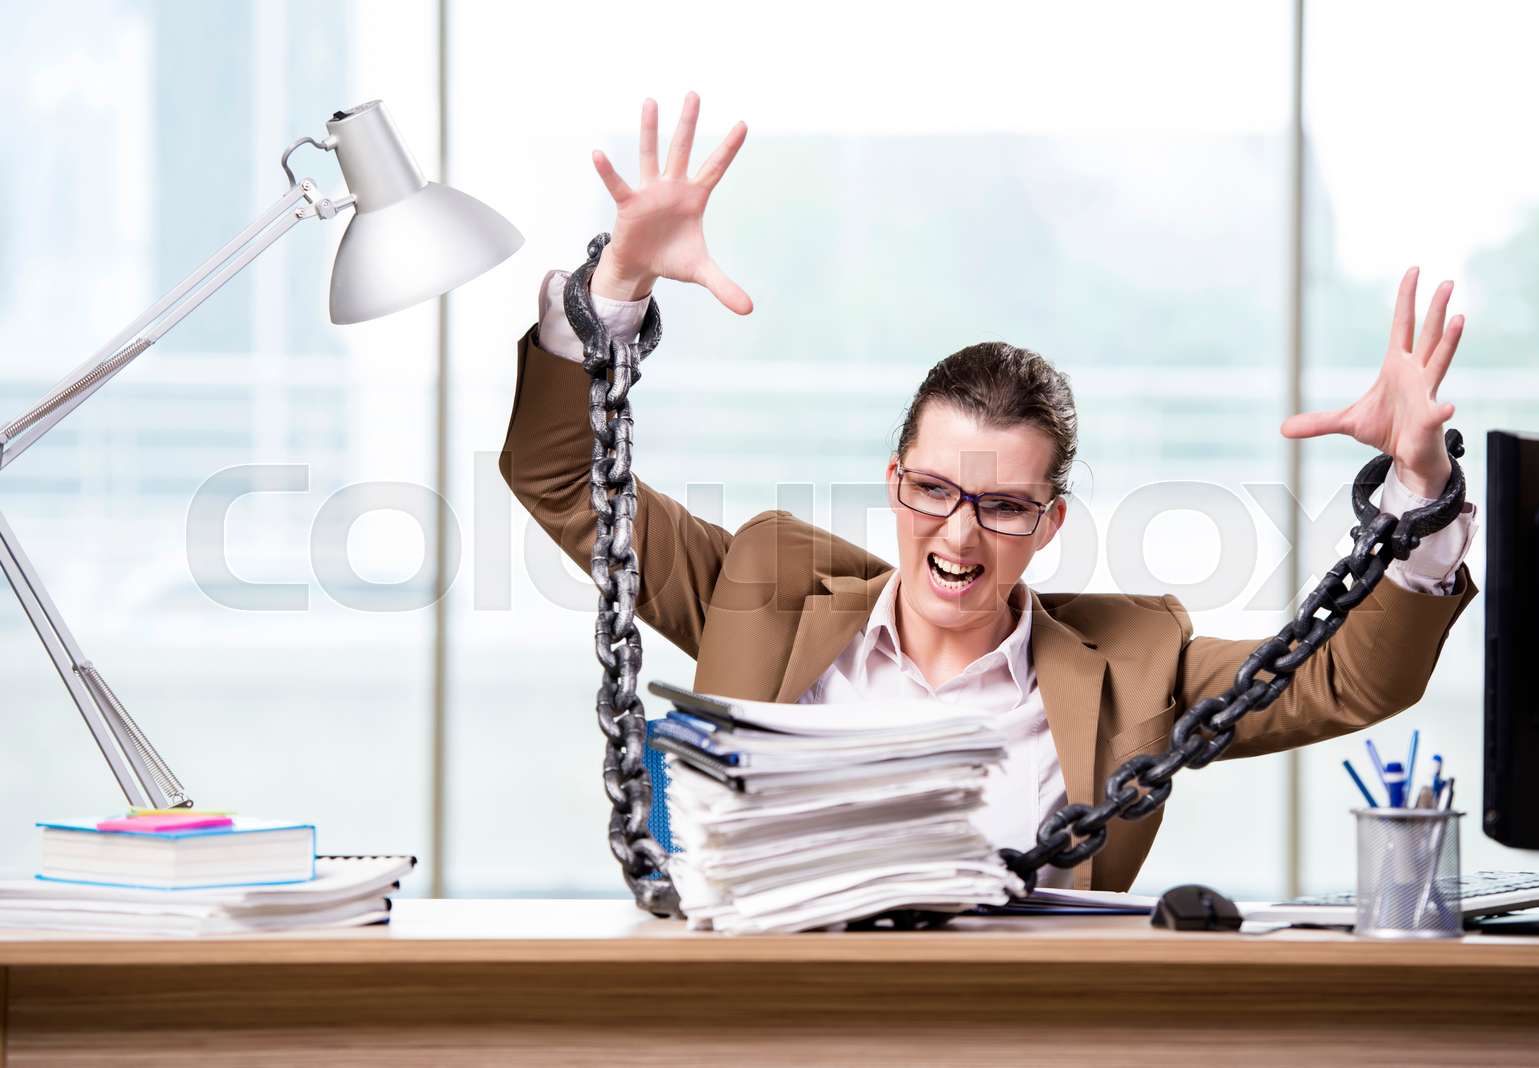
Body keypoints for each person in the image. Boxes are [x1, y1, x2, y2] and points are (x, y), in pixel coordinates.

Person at [500, 94, 1477, 892]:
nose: (957, 535)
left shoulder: (1135, 664)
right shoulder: (759, 588)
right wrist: (615, 286)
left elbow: (1351, 679)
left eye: (1003, 505)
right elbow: (558, 480)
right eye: (932, 489)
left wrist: (1416, 485)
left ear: (1048, 521)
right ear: (894, 482)